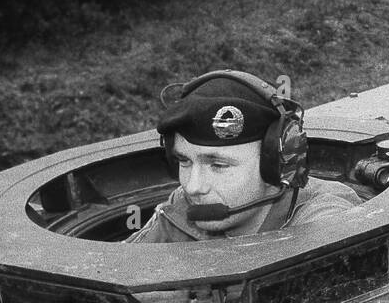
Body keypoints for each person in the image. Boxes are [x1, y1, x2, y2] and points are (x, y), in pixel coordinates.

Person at [127, 71, 359, 243]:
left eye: (218, 165)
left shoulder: (325, 219)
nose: (193, 186)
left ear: (276, 165)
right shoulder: (182, 204)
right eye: (185, 161)